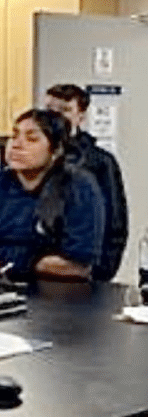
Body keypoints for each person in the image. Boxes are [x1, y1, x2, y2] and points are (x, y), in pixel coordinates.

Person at [0, 109, 105, 281]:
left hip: (58, 294)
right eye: (14, 136)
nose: (16, 145)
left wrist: (18, 262)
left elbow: (79, 266)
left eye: (31, 139)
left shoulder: (78, 188)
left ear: (56, 150)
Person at [45, 84, 128, 281]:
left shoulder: (100, 162)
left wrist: (101, 274)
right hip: (39, 269)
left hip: (85, 272)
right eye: (50, 110)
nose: (56, 116)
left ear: (81, 116)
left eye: (65, 110)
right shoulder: (34, 158)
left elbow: (115, 223)